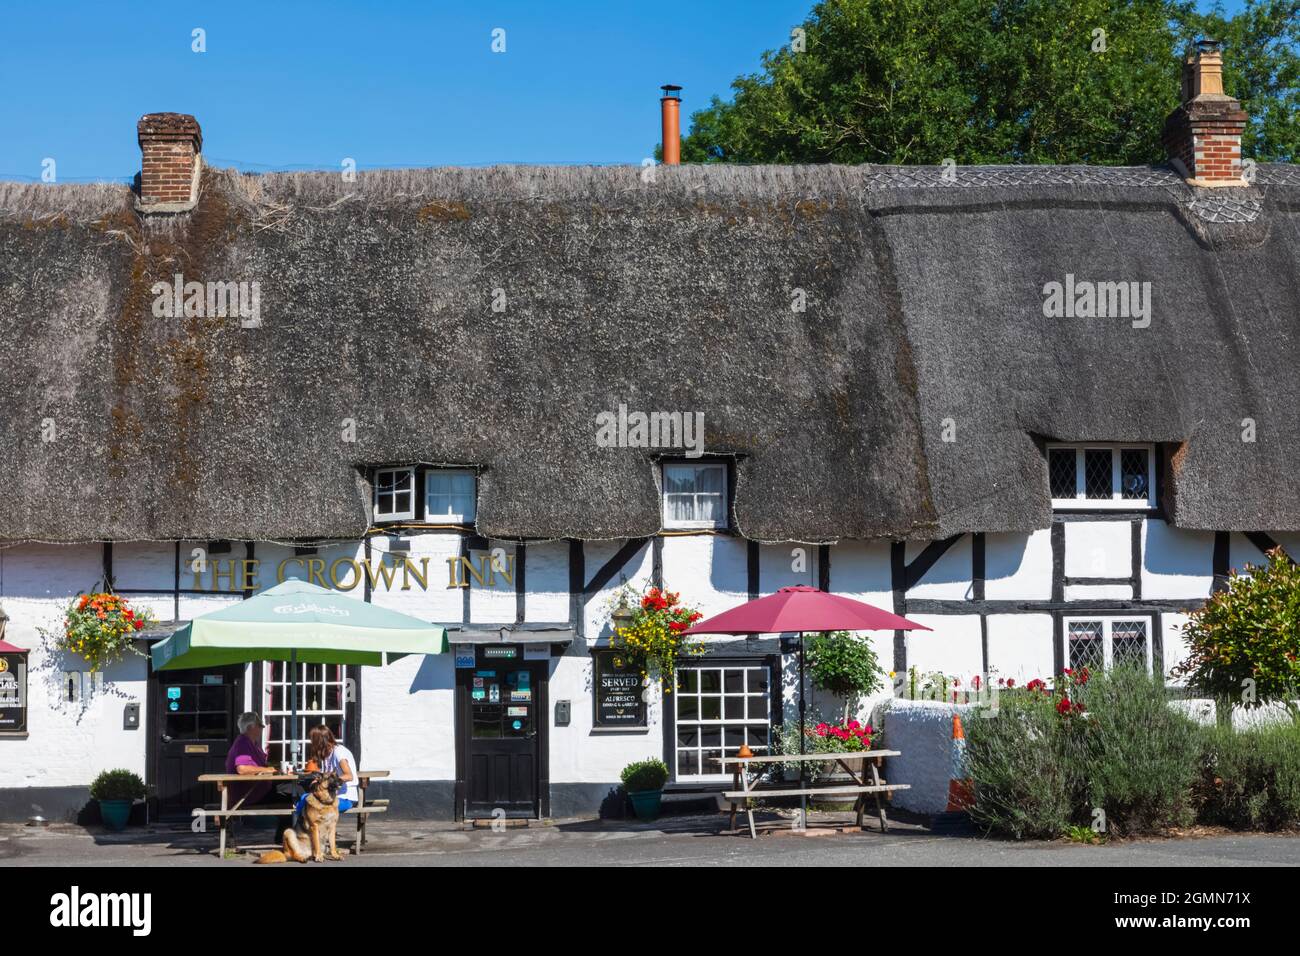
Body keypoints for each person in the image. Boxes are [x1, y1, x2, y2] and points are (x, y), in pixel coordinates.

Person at [225, 711, 294, 839]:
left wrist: (268, 769)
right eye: (260, 726)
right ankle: (284, 839)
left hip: (255, 790)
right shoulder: (243, 743)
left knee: (291, 791)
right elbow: (242, 769)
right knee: (291, 797)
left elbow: (255, 766)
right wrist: (267, 770)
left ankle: (283, 838)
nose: (262, 729)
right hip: (248, 795)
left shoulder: (251, 744)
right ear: (251, 727)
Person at [294, 725, 358, 822]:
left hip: (346, 799)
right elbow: (325, 775)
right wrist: (317, 781)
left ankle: (304, 830)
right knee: (304, 797)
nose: (312, 744)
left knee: (309, 803)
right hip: (331, 796)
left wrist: (330, 782)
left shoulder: (338, 752)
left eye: (313, 741)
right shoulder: (327, 754)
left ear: (320, 741)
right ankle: (305, 830)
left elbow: (349, 776)